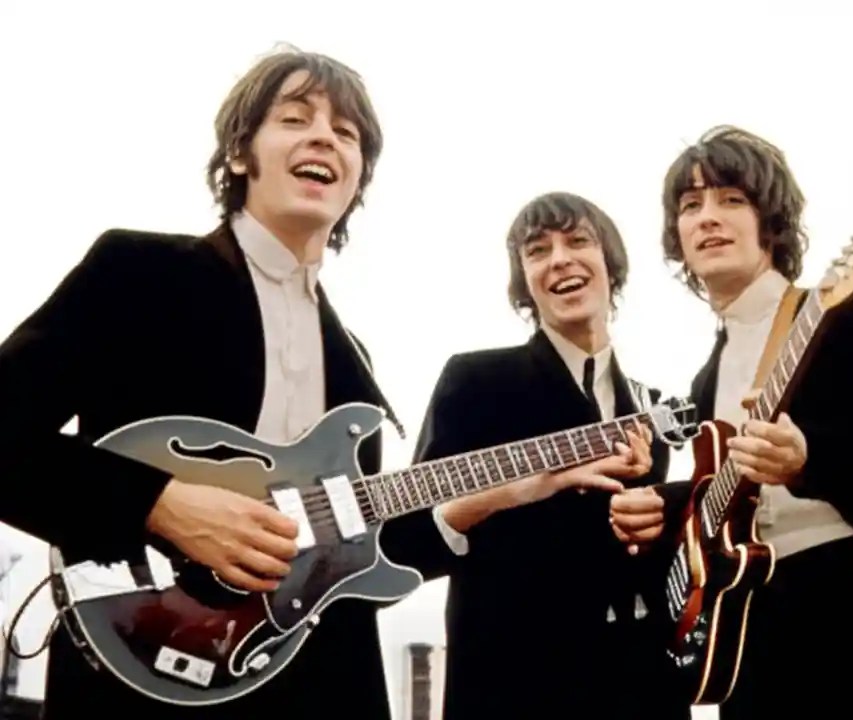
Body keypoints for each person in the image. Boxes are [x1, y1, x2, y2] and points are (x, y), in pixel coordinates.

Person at [0, 46, 440, 719]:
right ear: (240, 154)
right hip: (143, 676)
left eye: (346, 133)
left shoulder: (358, 369)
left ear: (356, 180)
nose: (325, 135)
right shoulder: (136, 273)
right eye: (295, 118)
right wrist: (155, 502)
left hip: (318, 685)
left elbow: (350, 560)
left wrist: (496, 499)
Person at [610, 125, 853, 718]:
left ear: (771, 222)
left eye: (731, 199)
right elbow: (724, 502)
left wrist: (809, 462)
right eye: (691, 206)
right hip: (751, 636)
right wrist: (663, 510)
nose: (708, 217)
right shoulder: (705, 379)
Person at [410, 191, 692, 720]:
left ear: (611, 265)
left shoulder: (653, 408)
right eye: (537, 250)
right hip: (515, 688)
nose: (560, 258)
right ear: (524, 283)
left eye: (578, 240)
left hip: (641, 687)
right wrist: (507, 493)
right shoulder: (475, 380)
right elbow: (409, 539)